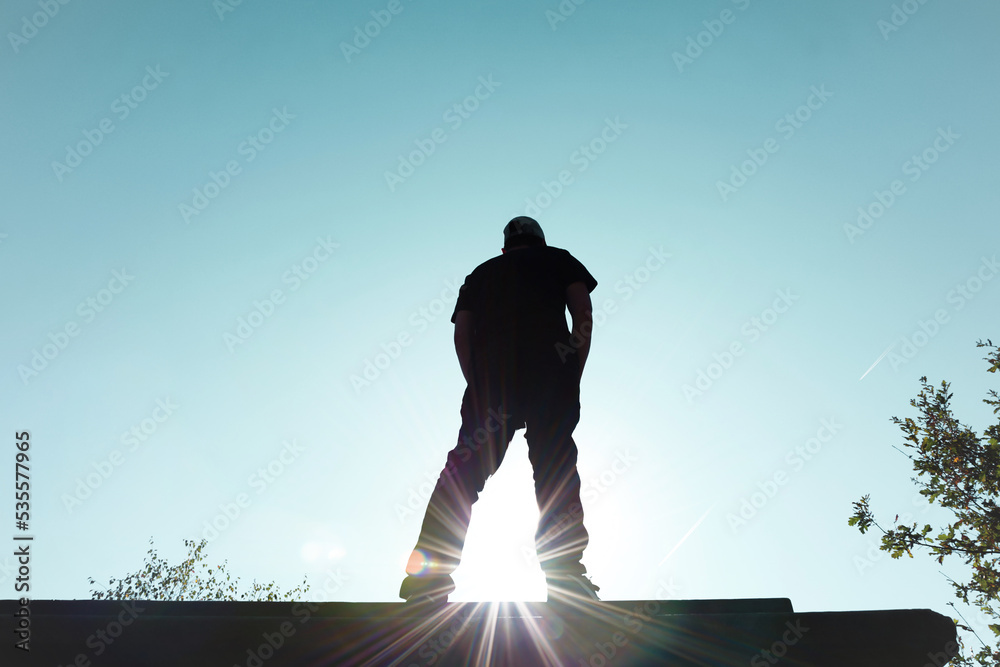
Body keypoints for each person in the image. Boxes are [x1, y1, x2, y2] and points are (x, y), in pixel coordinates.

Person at [399, 216, 600, 605]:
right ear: (540, 242)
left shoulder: (480, 274)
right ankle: (566, 577)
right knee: (555, 468)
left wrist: (476, 382)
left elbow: (462, 334)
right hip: (550, 372)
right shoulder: (559, 259)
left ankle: (428, 577)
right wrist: (571, 371)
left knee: (463, 473)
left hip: (491, 382)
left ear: (505, 247)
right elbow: (584, 316)